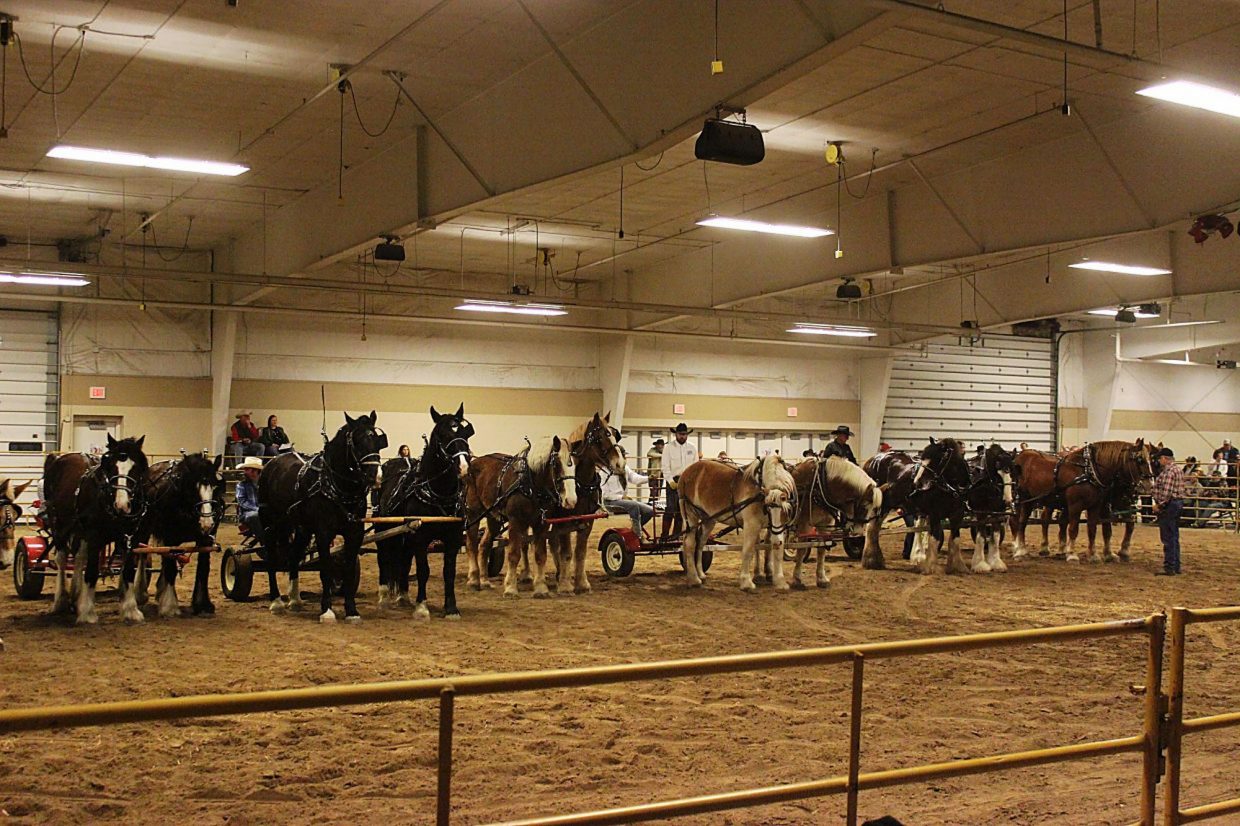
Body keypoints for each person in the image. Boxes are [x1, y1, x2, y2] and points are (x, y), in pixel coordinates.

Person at [660, 423, 699, 542]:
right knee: (671, 508)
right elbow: (665, 466)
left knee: (682, 510)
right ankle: (665, 535)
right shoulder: (668, 447)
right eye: (681, 434)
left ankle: (676, 535)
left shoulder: (692, 448)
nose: (683, 436)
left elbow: (696, 465)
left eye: (684, 434)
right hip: (674, 480)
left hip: (688, 481)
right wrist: (670, 481)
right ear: (676, 434)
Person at [602, 449, 654, 536]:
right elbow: (605, 494)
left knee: (650, 511)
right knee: (633, 505)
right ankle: (638, 534)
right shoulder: (604, 471)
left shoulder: (625, 468)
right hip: (611, 502)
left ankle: (635, 528)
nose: (624, 458)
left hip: (623, 500)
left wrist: (648, 478)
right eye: (623, 456)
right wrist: (620, 497)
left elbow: (634, 478)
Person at [1152, 447, 1185, 575]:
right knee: (1174, 536)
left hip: (1169, 506)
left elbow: (1166, 493)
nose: (1159, 461)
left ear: (1165, 458)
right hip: (1177, 504)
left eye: (1160, 458)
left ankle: (1169, 566)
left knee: (1167, 537)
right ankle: (1175, 565)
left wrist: (1158, 506)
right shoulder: (1178, 470)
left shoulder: (1169, 472)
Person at [235, 456, 263, 536]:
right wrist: (259, 510)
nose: (244, 472)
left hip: (260, 512)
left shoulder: (264, 485)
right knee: (255, 515)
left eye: (247, 470)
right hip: (246, 514)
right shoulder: (241, 485)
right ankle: (264, 541)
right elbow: (242, 502)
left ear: (255, 471)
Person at [646, 438, 664, 508]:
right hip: (653, 474)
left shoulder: (664, 451)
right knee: (654, 491)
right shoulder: (652, 450)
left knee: (658, 491)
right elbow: (649, 454)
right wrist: (661, 455)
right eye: (659, 445)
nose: (660, 446)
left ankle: (654, 506)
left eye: (661, 445)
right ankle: (651, 506)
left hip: (661, 474)